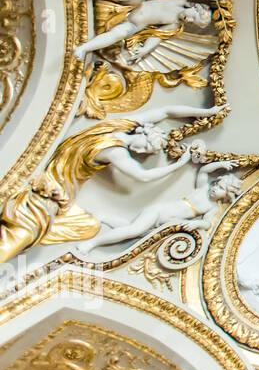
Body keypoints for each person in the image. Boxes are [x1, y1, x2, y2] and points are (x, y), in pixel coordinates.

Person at [0, 103, 225, 263]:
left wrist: (205, 112)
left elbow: (166, 111)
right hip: (48, 194)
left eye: (148, 152)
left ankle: (112, 229)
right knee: (25, 235)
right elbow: (143, 176)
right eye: (147, 148)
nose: (143, 152)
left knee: (90, 226)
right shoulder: (115, 151)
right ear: (143, 133)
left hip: (52, 188)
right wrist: (178, 165)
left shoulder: (117, 127)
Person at [77, 159, 242, 257]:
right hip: (160, 212)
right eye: (218, 184)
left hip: (164, 221)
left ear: (226, 196)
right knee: (133, 230)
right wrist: (221, 164)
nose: (215, 189)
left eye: (221, 189)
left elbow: (207, 223)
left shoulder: (211, 207)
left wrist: (196, 224)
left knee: (134, 232)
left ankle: (103, 218)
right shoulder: (201, 189)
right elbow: (204, 170)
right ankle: (91, 244)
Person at [75, 0, 222, 63]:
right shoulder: (178, 0)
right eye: (192, 17)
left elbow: (155, 37)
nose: (189, 20)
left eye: (192, 22)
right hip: (132, 6)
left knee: (119, 34)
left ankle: (84, 48)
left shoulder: (173, 24)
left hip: (133, 24)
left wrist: (145, 49)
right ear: (195, 7)